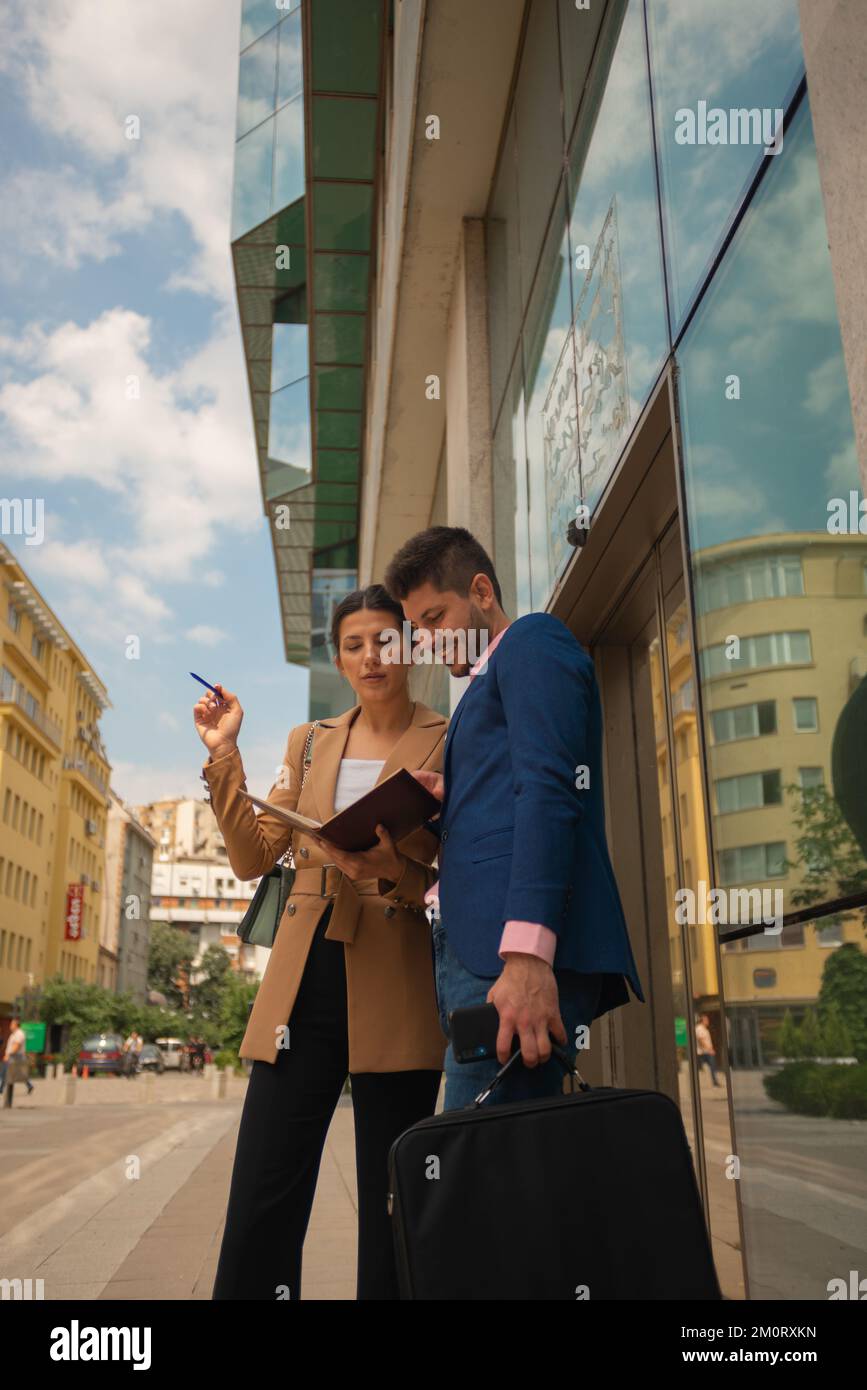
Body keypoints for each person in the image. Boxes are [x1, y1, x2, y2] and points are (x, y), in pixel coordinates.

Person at [195, 584, 448, 1301]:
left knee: (392, 1191)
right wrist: (224, 755)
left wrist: (393, 868)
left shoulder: (448, 737)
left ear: (409, 646)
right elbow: (252, 857)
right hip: (303, 976)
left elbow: (455, 863)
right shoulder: (307, 744)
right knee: (264, 1183)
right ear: (337, 657)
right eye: (353, 644)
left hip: (396, 972)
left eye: (384, 639)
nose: (371, 656)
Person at [384, 526, 645, 1111]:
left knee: (482, 1171)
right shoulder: (483, 685)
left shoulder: (532, 641)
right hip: (477, 950)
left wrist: (528, 957)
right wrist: (447, 803)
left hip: (511, 952)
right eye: (417, 630)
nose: (426, 641)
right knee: (505, 1171)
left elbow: (550, 791)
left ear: (481, 591)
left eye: (435, 619)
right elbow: (515, 790)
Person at [0, 1017, 35, 1096]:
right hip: (14, 1057)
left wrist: (8, 1055)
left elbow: (17, 1046)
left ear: (16, 1025)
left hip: (15, 1057)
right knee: (19, 1072)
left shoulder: (19, 1034)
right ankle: (29, 1085)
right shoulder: (14, 1034)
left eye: (11, 1024)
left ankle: (0, 1087)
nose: (10, 1026)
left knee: (4, 1071)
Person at [695, 1014, 720, 1087]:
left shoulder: (704, 1029)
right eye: (706, 1020)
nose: (708, 1021)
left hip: (706, 1051)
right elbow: (700, 1040)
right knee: (712, 1066)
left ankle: (714, 1082)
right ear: (703, 1021)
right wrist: (709, 1049)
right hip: (704, 1052)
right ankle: (714, 1082)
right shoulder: (699, 1028)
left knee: (712, 1066)